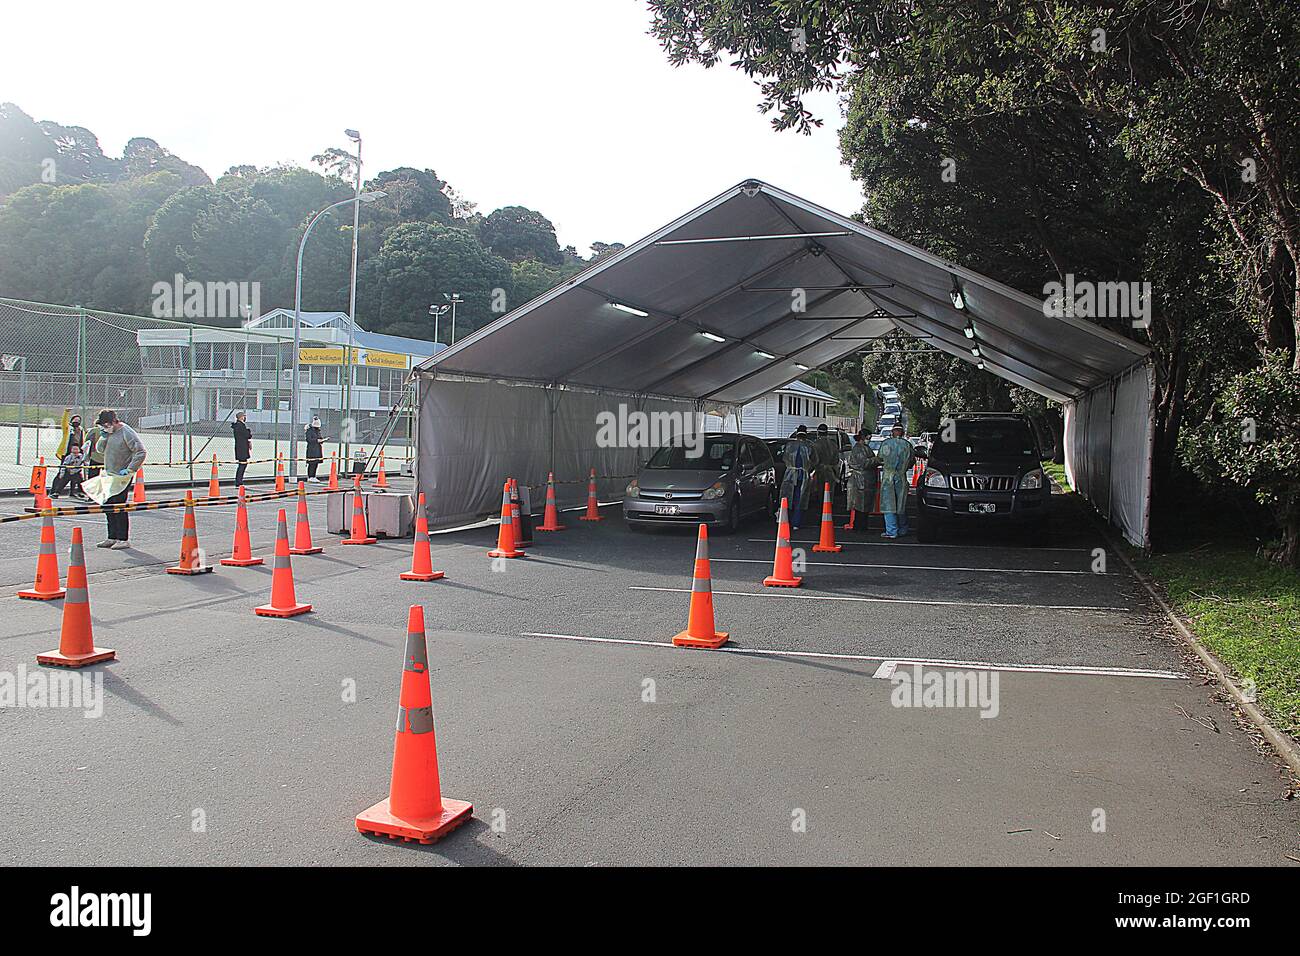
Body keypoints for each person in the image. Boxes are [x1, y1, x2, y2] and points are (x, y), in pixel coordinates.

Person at [95, 409, 146, 549]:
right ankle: (112, 536)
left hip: (122, 475)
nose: (105, 428)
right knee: (107, 505)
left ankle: (123, 538)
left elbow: (140, 451)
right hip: (109, 474)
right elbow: (99, 450)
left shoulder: (126, 432)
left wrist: (130, 469)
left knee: (119, 505)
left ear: (113, 421)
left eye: (106, 425)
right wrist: (103, 437)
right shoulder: (108, 433)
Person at [877, 423, 916, 539]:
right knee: (901, 504)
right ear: (903, 432)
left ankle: (891, 530)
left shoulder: (886, 444)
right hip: (901, 477)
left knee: (889, 504)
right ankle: (903, 529)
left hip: (888, 477)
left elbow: (880, 459)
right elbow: (912, 461)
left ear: (892, 432)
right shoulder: (907, 445)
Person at [779, 426, 815, 529]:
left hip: (790, 474)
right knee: (800, 498)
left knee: (786, 497)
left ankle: (784, 519)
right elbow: (815, 461)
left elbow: (784, 458)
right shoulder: (809, 446)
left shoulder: (790, 445)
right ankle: (796, 522)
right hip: (803, 476)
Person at [845, 431, 881, 533]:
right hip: (861, 479)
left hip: (865, 479)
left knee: (863, 504)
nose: (869, 439)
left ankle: (861, 525)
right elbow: (864, 463)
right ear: (862, 437)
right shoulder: (859, 449)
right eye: (868, 437)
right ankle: (860, 526)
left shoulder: (864, 448)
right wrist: (876, 460)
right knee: (860, 504)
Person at [811, 423, 840, 498]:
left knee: (821, 492)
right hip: (831, 472)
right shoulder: (833, 444)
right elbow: (837, 460)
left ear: (818, 432)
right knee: (829, 493)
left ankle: (821, 508)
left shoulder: (815, 444)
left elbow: (814, 460)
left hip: (820, 472)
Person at [232, 411, 252, 487]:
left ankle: (239, 481)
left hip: (241, 447)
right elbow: (247, 435)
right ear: (241, 417)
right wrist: (248, 431)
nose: (245, 417)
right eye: (244, 416)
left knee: (243, 464)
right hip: (242, 448)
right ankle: (239, 481)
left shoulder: (238, 426)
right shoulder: (240, 426)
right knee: (242, 464)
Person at [304, 416, 327, 482]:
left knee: (316, 463)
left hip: (317, 449)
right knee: (312, 463)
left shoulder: (318, 431)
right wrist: (317, 440)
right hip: (311, 449)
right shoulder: (309, 430)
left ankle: (313, 476)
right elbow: (309, 439)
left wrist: (322, 440)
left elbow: (320, 438)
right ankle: (310, 476)